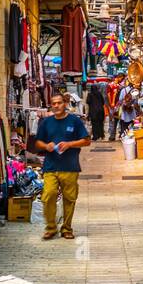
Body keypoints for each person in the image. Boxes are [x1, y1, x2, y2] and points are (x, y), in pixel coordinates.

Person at [34, 92, 91, 240]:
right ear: (51, 106)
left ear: (65, 104)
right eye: (54, 103)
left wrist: (70, 144)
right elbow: (38, 142)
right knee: (49, 195)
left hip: (70, 166)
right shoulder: (46, 122)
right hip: (51, 166)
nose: (57, 106)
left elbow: (86, 140)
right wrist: (47, 146)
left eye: (59, 103)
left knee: (69, 198)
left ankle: (66, 228)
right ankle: (51, 227)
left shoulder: (74, 121)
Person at [106, 74, 124, 141]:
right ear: (117, 78)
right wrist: (111, 104)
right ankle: (113, 135)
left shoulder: (120, 86)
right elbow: (108, 95)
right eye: (121, 78)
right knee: (113, 121)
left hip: (118, 106)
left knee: (117, 120)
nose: (121, 80)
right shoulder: (110, 85)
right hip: (113, 106)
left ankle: (117, 135)